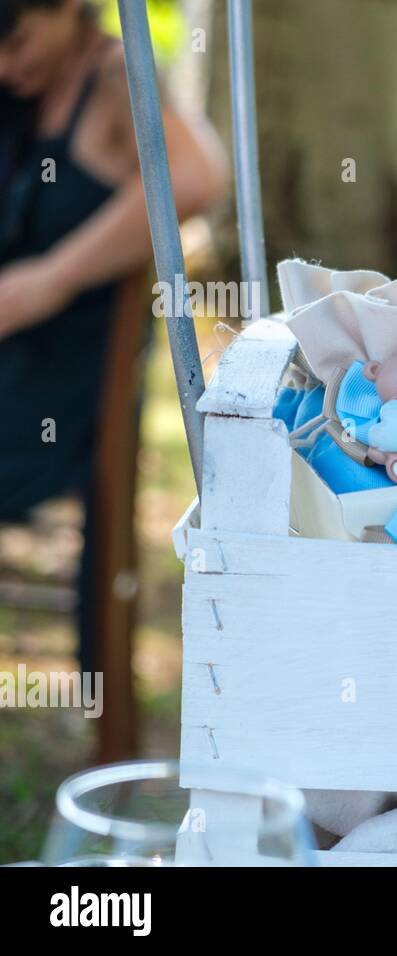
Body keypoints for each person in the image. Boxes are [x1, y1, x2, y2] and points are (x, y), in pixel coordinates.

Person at [0, 0, 225, 667]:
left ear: (70, 7)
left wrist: (52, 277)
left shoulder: (112, 78)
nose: (5, 65)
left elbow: (197, 176)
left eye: (17, 40)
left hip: (53, 398)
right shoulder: (24, 90)